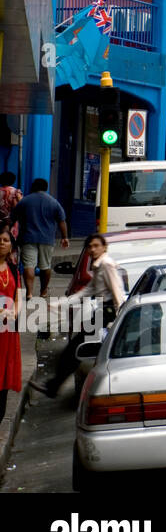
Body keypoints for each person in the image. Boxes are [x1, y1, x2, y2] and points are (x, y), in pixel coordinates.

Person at [32, 233, 124, 398]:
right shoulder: (98, 267)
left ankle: (54, 386)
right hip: (102, 313)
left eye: (96, 246)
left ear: (104, 247)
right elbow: (86, 292)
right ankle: (53, 386)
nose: (93, 249)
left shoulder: (107, 264)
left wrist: (118, 318)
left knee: (76, 349)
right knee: (74, 350)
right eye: (90, 247)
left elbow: (118, 293)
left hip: (107, 314)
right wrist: (59, 304)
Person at [11, 179, 68, 299]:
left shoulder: (25, 201)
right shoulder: (53, 202)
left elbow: (13, 217)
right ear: (46, 187)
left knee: (28, 266)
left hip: (28, 238)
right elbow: (62, 220)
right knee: (45, 266)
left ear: (33, 187)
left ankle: (29, 292)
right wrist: (64, 237)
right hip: (47, 239)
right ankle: (43, 292)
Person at [0, 233, 20, 420]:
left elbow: (17, 294)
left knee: (5, 374)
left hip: (7, 331)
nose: (1, 243)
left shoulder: (13, 269)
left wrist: (14, 311)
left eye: (5, 240)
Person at [0, 172, 22, 241]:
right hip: (11, 221)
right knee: (10, 240)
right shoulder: (15, 192)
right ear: (13, 181)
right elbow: (21, 206)